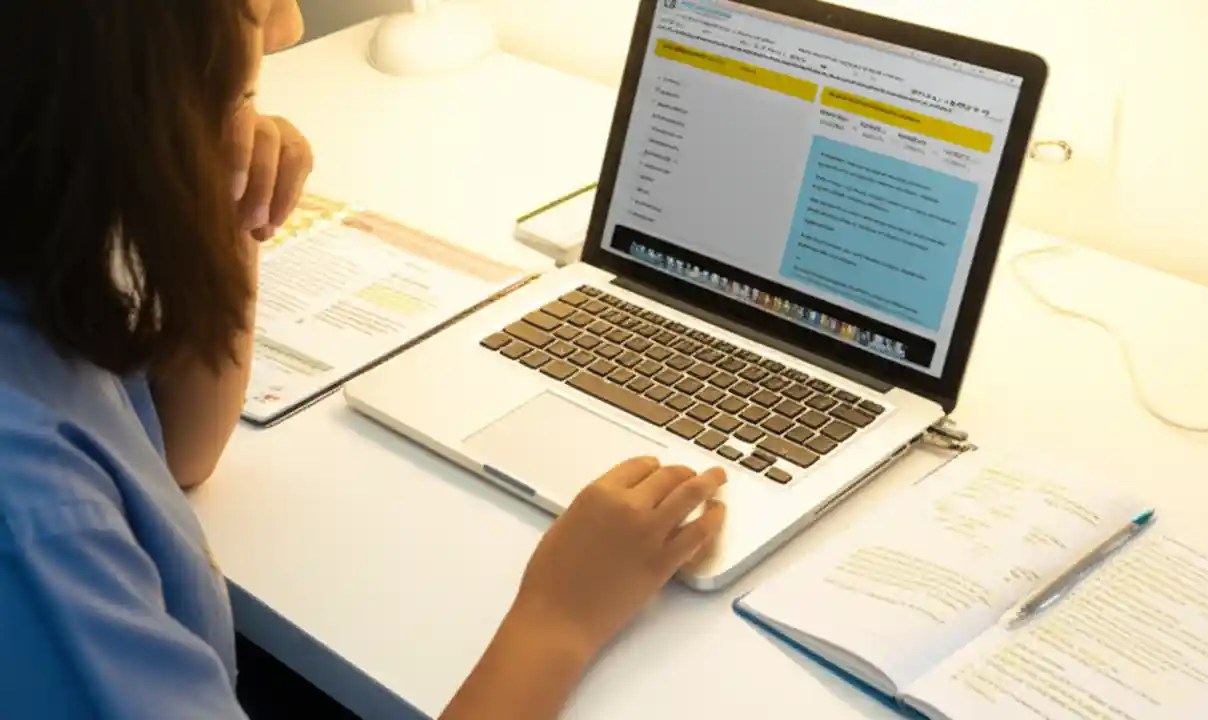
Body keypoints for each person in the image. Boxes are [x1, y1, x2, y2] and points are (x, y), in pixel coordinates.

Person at [0, 1, 727, 718]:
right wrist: (560, 619)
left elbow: (177, 456)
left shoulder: (36, 269)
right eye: (253, 13)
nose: (289, 25)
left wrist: (219, 205)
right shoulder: (38, 519)